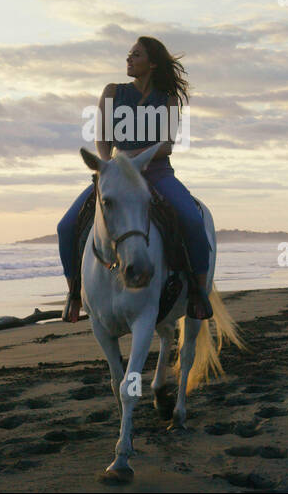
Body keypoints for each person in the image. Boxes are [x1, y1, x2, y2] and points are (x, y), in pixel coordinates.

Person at [56, 37, 213, 321]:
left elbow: (167, 145)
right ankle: (74, 295)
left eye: (136, 55)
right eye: (129, 54)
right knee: (66, 226)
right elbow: (102, 136)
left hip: (157, 172)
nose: (129, 59)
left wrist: (133, 157)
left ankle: (198, 293)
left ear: (152, 63)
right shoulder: (113, 92)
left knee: (192, 220)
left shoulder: (167, 98)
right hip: (115, 173)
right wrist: (107, 166)